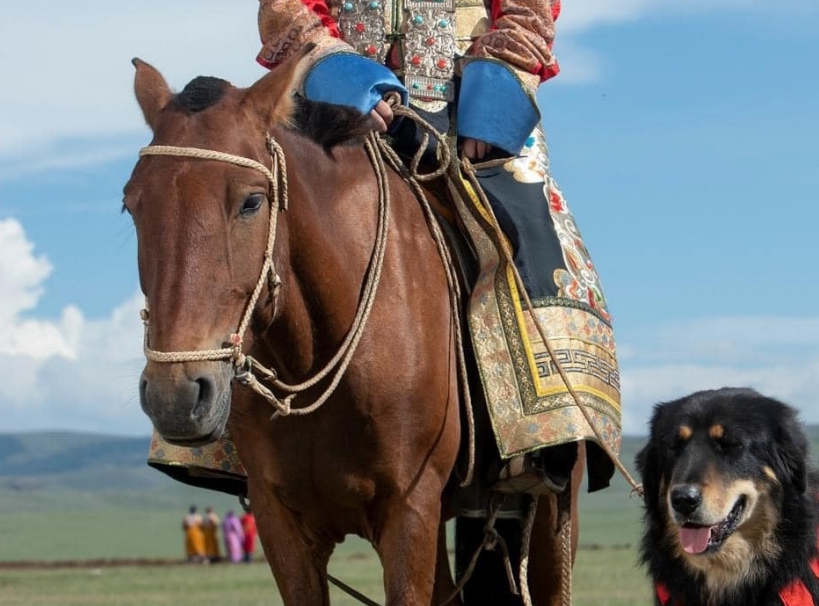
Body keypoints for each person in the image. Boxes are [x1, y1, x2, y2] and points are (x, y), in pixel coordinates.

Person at [252, 0, 623, 504]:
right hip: (328, 97)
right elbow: (286, 8)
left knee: (528, 218)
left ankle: (548, 424)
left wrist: (495, 83)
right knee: (245, 208)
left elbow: (528, 9)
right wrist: (334, 71)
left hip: (463, 93)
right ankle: (240, 440)